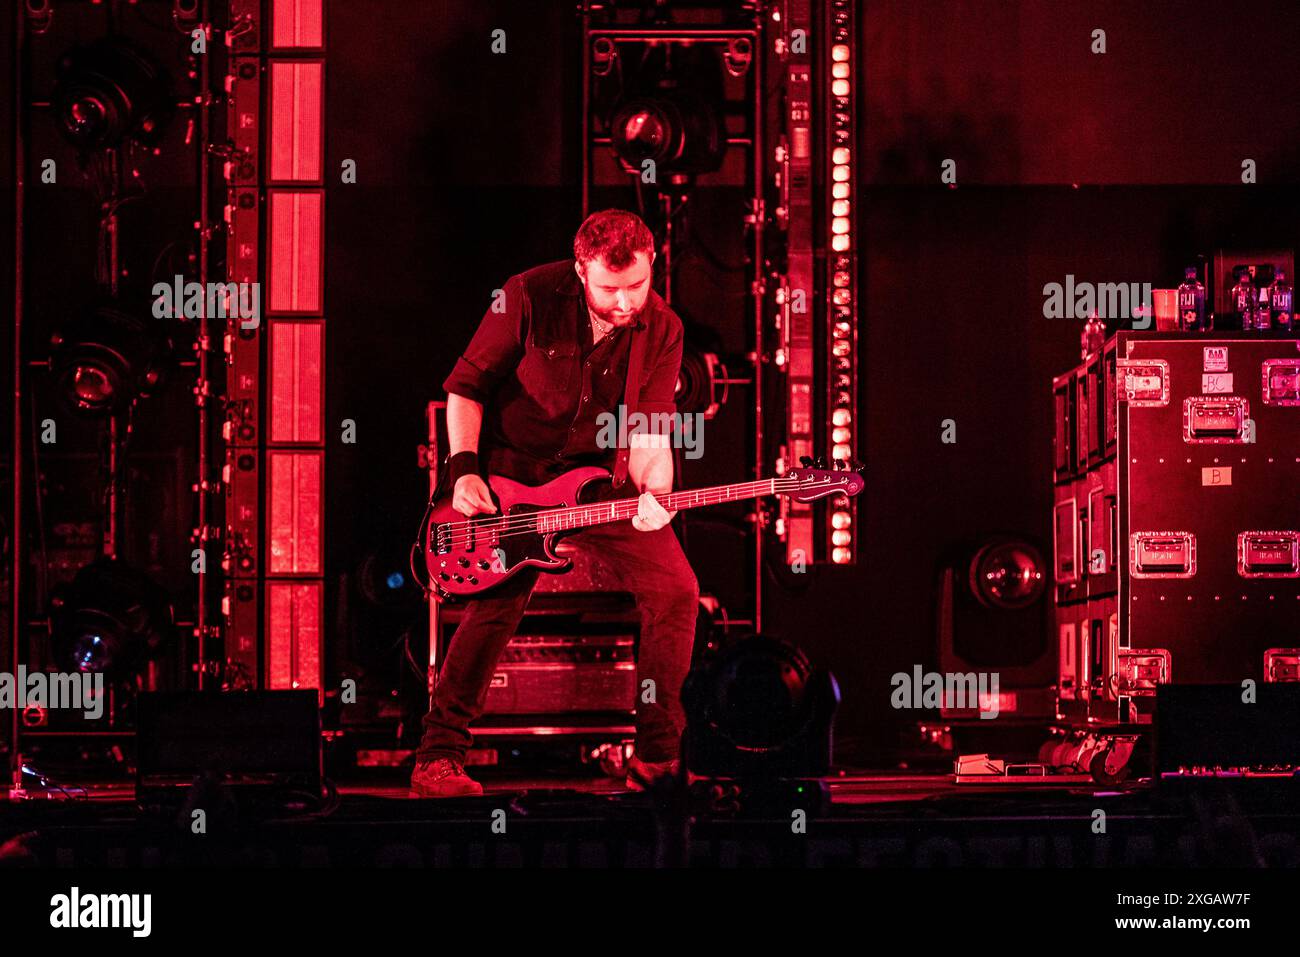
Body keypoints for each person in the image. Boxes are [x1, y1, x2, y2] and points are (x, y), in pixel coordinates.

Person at [411, 209, 700, 797]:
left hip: (601, 481)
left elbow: (650, 433)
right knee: (495, 602)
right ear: (580, 269)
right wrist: (464, 470)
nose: (625, 303)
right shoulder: (526, 294)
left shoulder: (663, 328)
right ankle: (437, 757)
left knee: (677, 590)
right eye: (610, 289)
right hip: (513, 473)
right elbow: (464, 388)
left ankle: (655, 759)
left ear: (652, 267)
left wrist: (656, 494)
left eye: (637, 286)